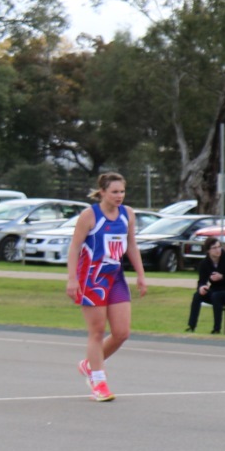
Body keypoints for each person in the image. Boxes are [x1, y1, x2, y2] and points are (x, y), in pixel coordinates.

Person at [67, 172, 147, 402]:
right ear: (102, 192)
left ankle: (89, 364)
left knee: (122, 333)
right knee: (97, 331)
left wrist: (141, 275)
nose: (119, 196)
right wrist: (72, 279)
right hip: (92, 278)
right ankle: (98, 380)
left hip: (116, 277)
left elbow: (131, 245)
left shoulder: (127, 214)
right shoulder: (89, 216)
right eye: (114, 192)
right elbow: (74, 248)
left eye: (122, 191)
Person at [186, 239, 225, 334]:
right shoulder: (205, 263)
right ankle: (191, 326)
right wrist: (201, 287)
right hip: (215, 290)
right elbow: (201, 281)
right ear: (208, 250)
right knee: (197, 295)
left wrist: (222, 277)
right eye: (214, 248)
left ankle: (216, 329)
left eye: (219, 247)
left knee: (216, 296)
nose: (217, 250)